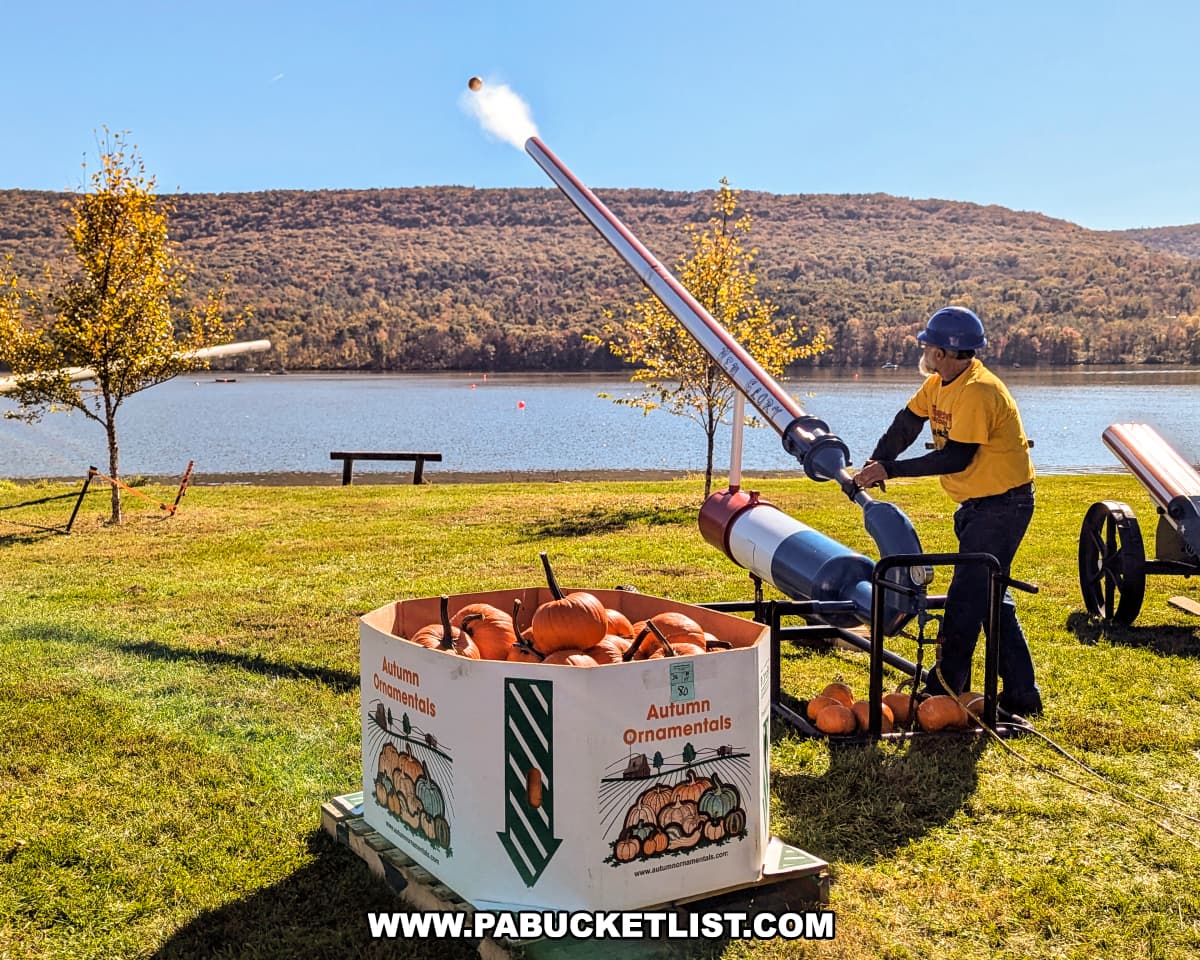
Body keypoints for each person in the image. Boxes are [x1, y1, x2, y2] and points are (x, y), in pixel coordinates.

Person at [854, 306, 1042, 717]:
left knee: (966, 598)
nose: (923, 350)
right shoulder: (941, 382)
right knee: (990, 594)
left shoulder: (978, 391)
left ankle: (943, 688)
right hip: (980, 506)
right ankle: (1022, 693)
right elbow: (906, 424)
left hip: (1003, 506)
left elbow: (955, 458)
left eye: (927, 344)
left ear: (942, 351)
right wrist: (877, 461)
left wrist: (893, 469)